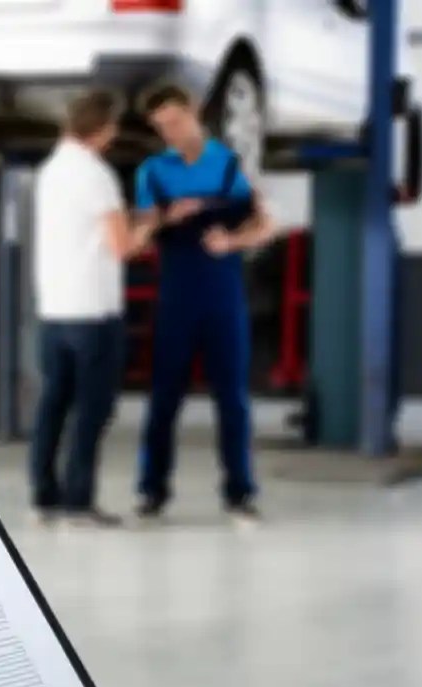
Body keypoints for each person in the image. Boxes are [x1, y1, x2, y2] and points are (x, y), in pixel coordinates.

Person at [132, 84, 277, 524]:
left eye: (175, 121)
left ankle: (240, 492)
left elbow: (266, 225)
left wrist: (233, 240)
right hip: (175, 297)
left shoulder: (230, 163)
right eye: (162, 128)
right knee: (163, 400)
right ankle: (152, 491)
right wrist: (162, 218)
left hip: (223, 296)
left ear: (194, 111)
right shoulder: (152, 173)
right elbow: (137, 235)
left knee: (232, 399)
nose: (171, 133)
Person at [30, 89, 150, 527]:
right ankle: (79, 502)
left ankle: (44, 497)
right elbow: (121, 246)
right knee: (91, 410)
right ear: (102, 128)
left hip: (54, 309)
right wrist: (149, 226)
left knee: (53, 405)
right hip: (94, 313)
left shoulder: (51, 171)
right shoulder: (97, 175)